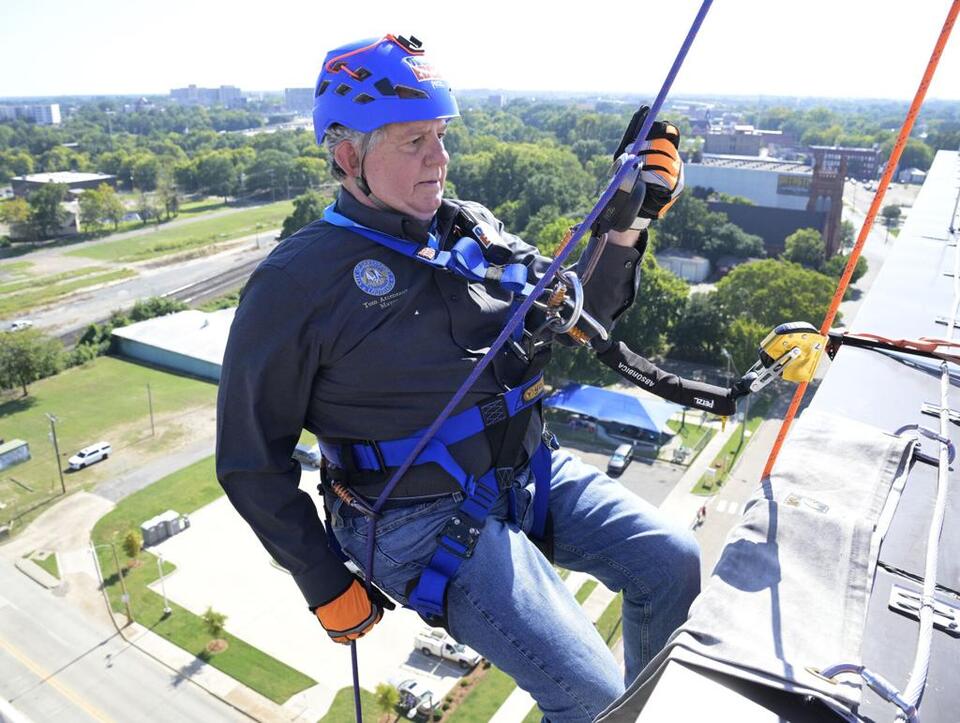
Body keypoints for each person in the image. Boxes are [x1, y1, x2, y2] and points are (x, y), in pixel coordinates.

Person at [216, 34, 699, 722]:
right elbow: (247, 459)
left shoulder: (469, 229)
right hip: (416, 518)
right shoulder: (295, 282)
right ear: (347, 153)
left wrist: (628, 221)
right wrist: (322, 579)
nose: (439, 159)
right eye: (414, 141)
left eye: (440, 136)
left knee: (672, 560)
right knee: (593, 699)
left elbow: (573, 313)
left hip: (525, 472)